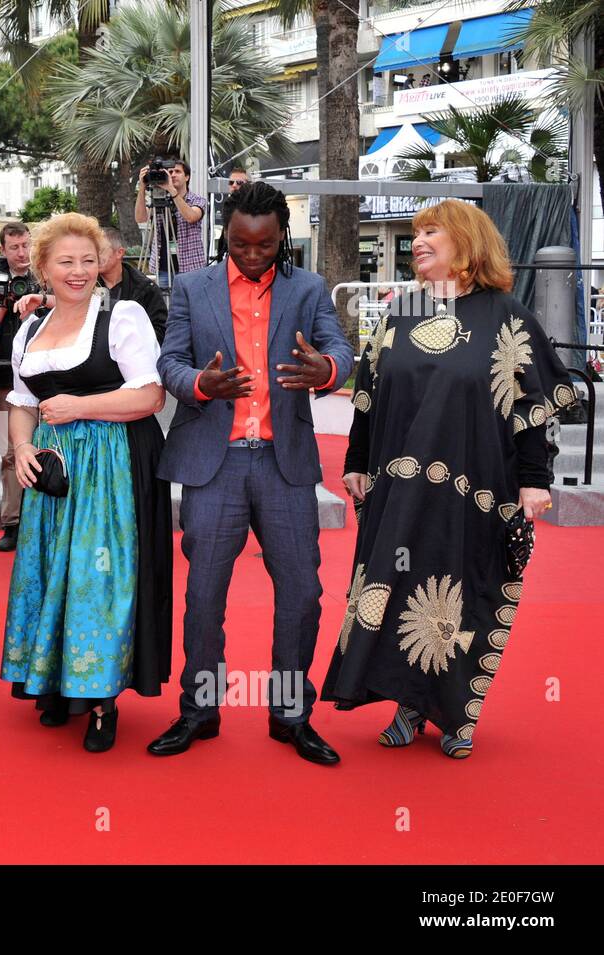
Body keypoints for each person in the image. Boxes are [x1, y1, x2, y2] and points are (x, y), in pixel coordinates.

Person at [323, 200, 577, 758]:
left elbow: (532, 409)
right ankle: (410, 706)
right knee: (394, 592)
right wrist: (356, 462)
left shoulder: (507, 316)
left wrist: (535, 481)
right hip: (399, 487)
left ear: (466, 242)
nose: (417, 241)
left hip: (478, 489)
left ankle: (459, 714)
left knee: (463, 593)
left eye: (429, 231)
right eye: (414, 233)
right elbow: (368, 397)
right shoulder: (400, 311)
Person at [148, 181, 353, 764]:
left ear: (282, 236)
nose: (253, 255)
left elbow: (340, 349)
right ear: (225, 236)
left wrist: (326, 370)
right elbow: (170, 360)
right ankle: (200, 710)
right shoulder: (192, 287)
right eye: (241, 244)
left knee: (302, 593)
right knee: (206, 596)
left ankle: (291, 715)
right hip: (215, 464)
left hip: (284, 466)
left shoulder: (309, 288)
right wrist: (198, 385)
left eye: (264, 245)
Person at [0, 212, 172, 753]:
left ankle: (99, 699)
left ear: (103, 263)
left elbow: (149, 396)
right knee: (52, 571)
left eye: (87, 260)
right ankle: (56, 681)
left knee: (99, 579)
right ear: (42, 267)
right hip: (54, 472)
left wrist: (79, 407)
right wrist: (23, 447)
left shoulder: (124, 317)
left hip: (112, 465)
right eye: (65, 262)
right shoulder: (29, 328)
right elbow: (22, 402)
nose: (78, 271)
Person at [0, 222, 34, 552]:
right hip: (6, 378)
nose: (21, 252)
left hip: (49, 378)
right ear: (2, 250)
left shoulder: (46, 275)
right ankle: (12, 522)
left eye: (25, 245)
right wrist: (2, 307)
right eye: (14, 247)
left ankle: (44, 522)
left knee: (48, 450)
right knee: (11, 453)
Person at [135, 158, 207, 287]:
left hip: (191, 267)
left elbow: (191, 217)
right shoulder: (158, 198)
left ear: (187, 177)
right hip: (163, 267)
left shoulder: (197, 200)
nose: (172, 175)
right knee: (166, 304)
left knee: (190, 306)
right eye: (169, 171)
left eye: (177, 171)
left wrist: (172, 190)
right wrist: (142, 188)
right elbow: (140, 218)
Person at [98, 226, 168, 343]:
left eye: (99, 251)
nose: (94, 256)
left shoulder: (145, 288)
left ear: (119, 253)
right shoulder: (86, 284)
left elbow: (160, 331)